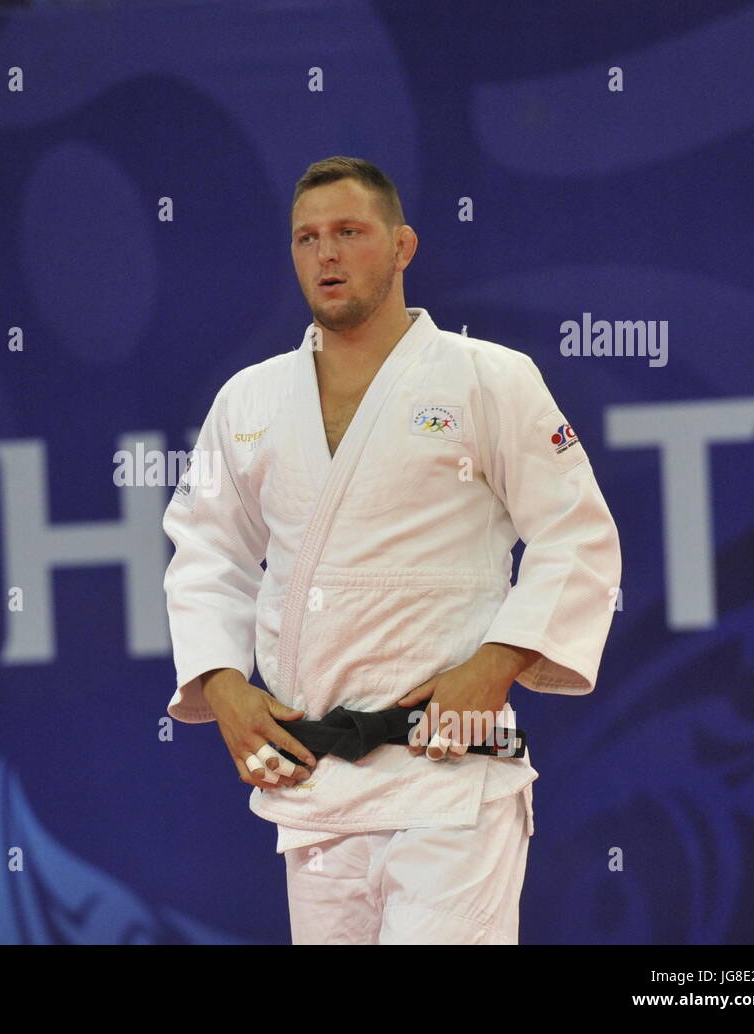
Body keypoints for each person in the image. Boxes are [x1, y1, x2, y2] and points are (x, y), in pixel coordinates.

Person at [160, 155, 622, 944]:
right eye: (307, 238)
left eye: (349, 232)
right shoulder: (249, 400)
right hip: (317, 789)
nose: (326, 254)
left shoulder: (489, 379)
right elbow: (205, 553)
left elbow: (575, 531)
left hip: (451, 779)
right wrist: (222, 684)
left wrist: (496, 662)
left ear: (403, 247)